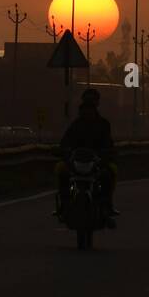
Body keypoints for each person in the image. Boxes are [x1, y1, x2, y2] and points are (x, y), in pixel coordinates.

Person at [55, 88, 118, 226]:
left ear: (96, 105)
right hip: (77, 162)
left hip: (96, 162)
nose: (88, 110)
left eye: (91, 105)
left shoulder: (103, 124)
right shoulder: (76, 125)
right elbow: (65, 141)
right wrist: (64, 151)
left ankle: (107, 205)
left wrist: (108, 153)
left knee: (110, 173)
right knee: (61, 171)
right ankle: (64, 205)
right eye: (86, 106)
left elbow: (109, 143)